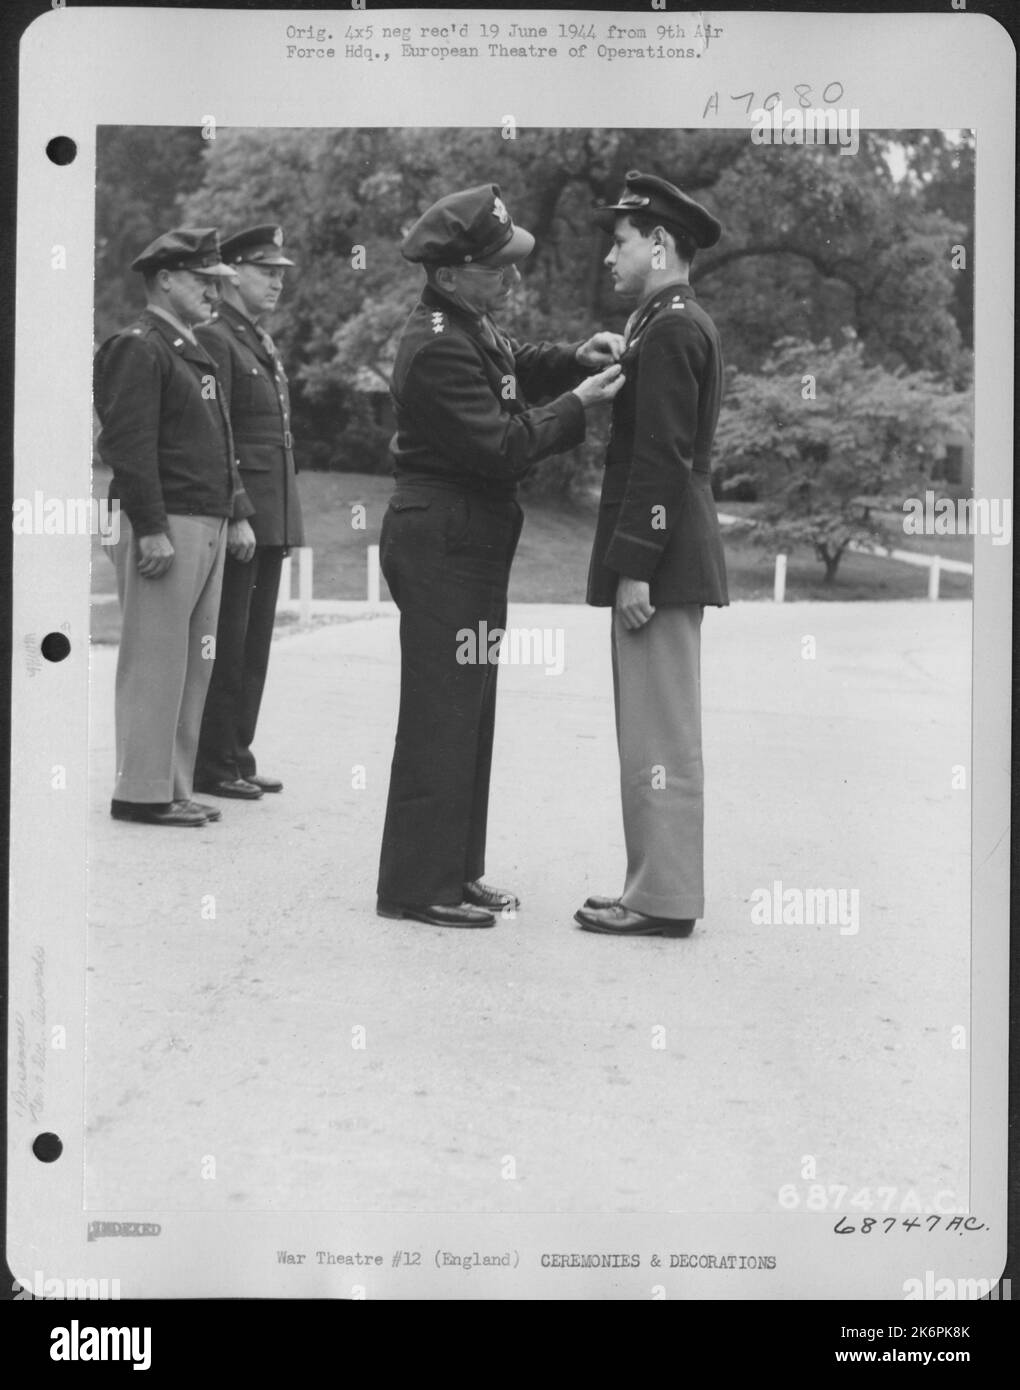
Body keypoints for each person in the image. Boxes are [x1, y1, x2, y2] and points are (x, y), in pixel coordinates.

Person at [377, 183, 625, 928]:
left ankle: (456, 867)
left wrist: (570, 359)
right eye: (497, 268)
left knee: (470, 713)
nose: (512, 278)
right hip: (443, 538)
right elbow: (502, 446)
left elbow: (513, 360)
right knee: (440, 713)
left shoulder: (466, 322)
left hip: (469, 541)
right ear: (448, 273)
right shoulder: (435, 345)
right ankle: (417, 886)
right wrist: (578, 403)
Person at [574, 171, 729, 937]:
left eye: (622, 239)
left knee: (660, 734)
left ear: (659, 244)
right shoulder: (659, 323)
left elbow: (664, 457)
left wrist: (636, 561)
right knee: (648, 731)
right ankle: (651, 886)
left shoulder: (670, 327)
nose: (611, 253)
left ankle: (662, 898)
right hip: (663, 553)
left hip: (661, 562)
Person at [94, 227, 254, 827]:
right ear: (165, 279)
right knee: (156, 659)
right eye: (202, 280)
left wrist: (234, 513)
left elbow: (217, 440)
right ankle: (140, 792)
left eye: (218, 281)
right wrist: (151, 526)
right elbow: (127, 444)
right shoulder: (138, 346)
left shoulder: (189, 347)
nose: (215, 291)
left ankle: (172, 787)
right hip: (167, 524)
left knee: (192, 661)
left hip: (201, 520)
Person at [194, 224, 304, 800]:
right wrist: (236, 510)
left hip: (271, 513)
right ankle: (211, 762)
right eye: (267, 272)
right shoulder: (217, 338)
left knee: (254, 642)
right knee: (229, 641)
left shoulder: (254, 339)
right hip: (245, 514)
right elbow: (221, 432)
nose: (277, 283)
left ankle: (237, 754)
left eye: (282, 273)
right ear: (233, 273)